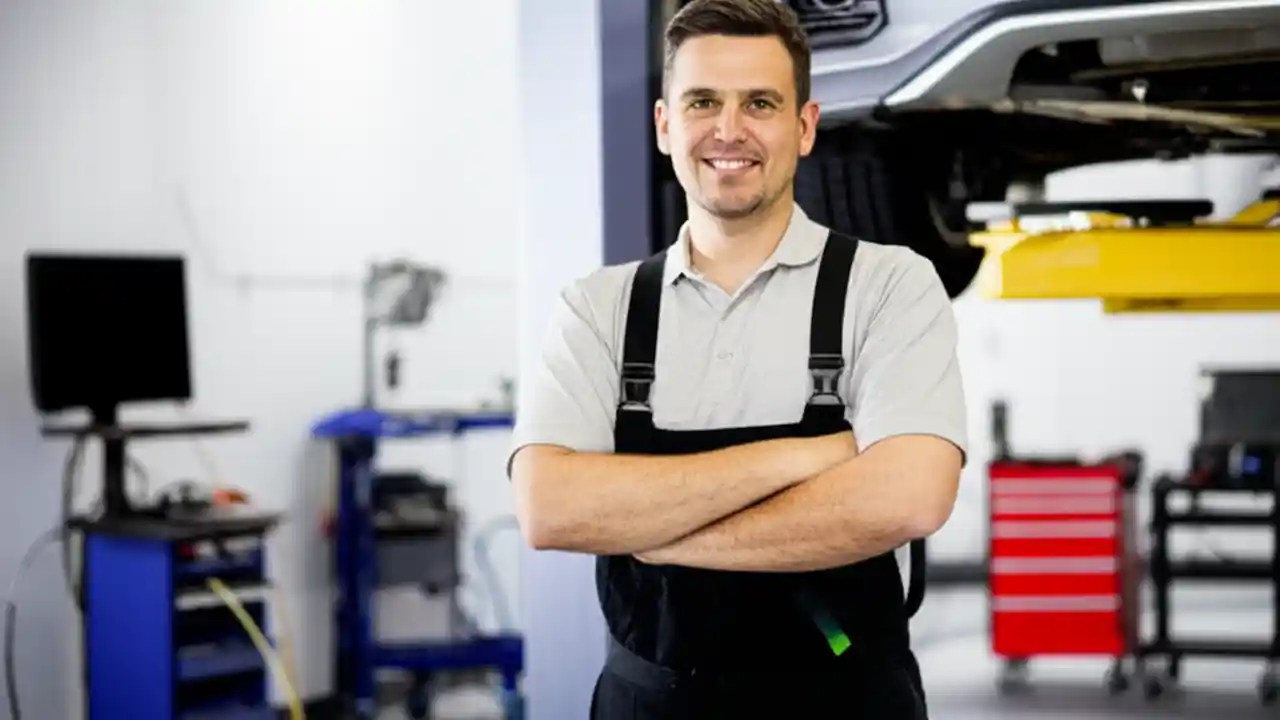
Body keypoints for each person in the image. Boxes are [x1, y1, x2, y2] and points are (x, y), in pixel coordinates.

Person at [510, 0, 966, 717]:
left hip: (846, 701)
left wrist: (653, 532)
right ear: (664, 125)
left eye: (760, 102)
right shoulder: (598, 309)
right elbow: (549, 508)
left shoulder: (890, 286)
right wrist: (804, 458)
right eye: (702, 102)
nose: (729, 130)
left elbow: (910, 496)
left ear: (805, 126)